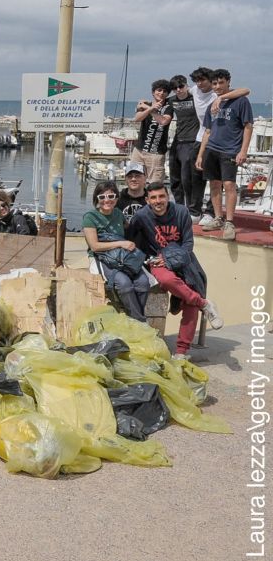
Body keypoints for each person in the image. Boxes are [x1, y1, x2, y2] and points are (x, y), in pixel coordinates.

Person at [129, 183, 222, 359]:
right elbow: (132, 242)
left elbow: (188, 244)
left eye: (162, 196)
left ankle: (181, 352)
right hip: (157, 259)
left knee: (191, 298)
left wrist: (170, 259)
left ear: (168, 196)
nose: (158, 201)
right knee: (166, 280)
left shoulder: (181, 212)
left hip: (182, 258)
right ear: (148, 200)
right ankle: (204, 304)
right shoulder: (141, 217)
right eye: (154, 198)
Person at [196, 68, 255, 241]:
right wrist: (201, 154)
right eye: (215, 83)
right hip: (211, 150)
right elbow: (207, 131)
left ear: (228, 82)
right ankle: (218, 218)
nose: (218, 86)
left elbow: (248, 126)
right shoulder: (211, 105)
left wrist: (243, 150)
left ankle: (229, 222)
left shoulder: (241, 101)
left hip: (230, 150)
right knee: (214, 185)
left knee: (229, 185)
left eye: (221, 82)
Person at [82, 181, 150, 322]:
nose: (107, 200)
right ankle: (139, 322)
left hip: (121, 256)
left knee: (143, 282)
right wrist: (121, 243)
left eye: (111, 196)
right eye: (102, 197)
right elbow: (94, 246)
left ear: (117, 198)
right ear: (97, 199)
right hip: (101, 257)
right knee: (124, 283)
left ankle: (133, 320)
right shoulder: (90, 217)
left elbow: (131, 228)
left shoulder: (119, 214)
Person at [167, 75, 202, 218]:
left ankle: (193, 210)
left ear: (186, 85)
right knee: (175, 177)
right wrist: (143, 104)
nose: (178, 90)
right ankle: (180, 208)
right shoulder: (171, 100)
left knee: (188, 178)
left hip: (192, 140)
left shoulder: (196, 98)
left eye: (181, 86)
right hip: (178, 141)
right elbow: (158, 104)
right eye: (175, 88)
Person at [130, 79, 174, 183]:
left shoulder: (168, 107)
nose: (161, 93)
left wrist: (148, 108)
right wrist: (149, 108)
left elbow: (163, 121)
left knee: (155, 185)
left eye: (164, 91)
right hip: (139, 151)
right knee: (135, 181)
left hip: (156, 154)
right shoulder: (146, 104)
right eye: (159, 90)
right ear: (153, 92)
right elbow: (137, 118)